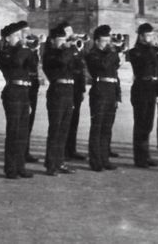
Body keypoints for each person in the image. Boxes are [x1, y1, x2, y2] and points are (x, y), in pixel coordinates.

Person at [0, 21, 37, 179]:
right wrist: (24, 48)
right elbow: (17, 62)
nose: (20, 38)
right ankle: (10, 168)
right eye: (16, 35)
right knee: (13, 131)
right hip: (12, 91)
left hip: (24, 92)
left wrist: (32, 50)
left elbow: (33, 66)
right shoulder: (5, 53)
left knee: (23, 132)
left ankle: (20, 166)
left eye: (21, 35)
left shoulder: (23, 50)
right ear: (7, 38)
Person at [42, 26, 82, 176]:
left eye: (64, 40)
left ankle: (60, 161)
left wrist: (75, 50)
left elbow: (77, 66)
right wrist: (70, 48)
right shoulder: (50, 54)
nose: (63, 43)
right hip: (57, 92)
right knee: (55, 129)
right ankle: (51, 164)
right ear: (52, 41)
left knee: (64, 130)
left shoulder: (67, 53)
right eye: (60, 40)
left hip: (69, 91)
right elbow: (62, 60)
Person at [85, 25, 122, 171]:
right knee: (97, 127)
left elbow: (115, 74)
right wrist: (113, 52)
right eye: (103, 41)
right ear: (96, 41)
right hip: (99, 92)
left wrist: (118, 94)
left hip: (111, 91)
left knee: (107, 128)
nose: (107, 43)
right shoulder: (92, 54)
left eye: (108, 40)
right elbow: (103, 65)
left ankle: (105, 158)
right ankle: (95, 161)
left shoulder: (109, 53)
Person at [126, 23, 158, 168]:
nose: (151, 38)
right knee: (140, 124)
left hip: (152, 88)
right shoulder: (135, 52)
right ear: (140, 37)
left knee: (148, 124)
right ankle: (139, 158)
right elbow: (143, 62)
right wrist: (152, 49)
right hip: (141, 88)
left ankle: (146, 155)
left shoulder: (154, 50)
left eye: (152, 35)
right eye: (148, 36)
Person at [55, 22, 87, 162]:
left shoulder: (73, 48)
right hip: (66, 88)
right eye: (68, 32)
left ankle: (71, 149)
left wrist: (82, 88)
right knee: (64, 122)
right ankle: (62, 152)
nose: (72, 34)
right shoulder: (62, 49)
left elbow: (80, 67)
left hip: (76, 87)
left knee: (74, 121)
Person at [21, 22, 42, 163]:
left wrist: (36, 50)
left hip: (33, 87)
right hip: (23, 88)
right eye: (25, 34)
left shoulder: (31, 50)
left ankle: (25, 151)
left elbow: (35, 66)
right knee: (22, 122)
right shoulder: (19, 51)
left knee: (30, 121)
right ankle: (20, 152)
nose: (29, 37)